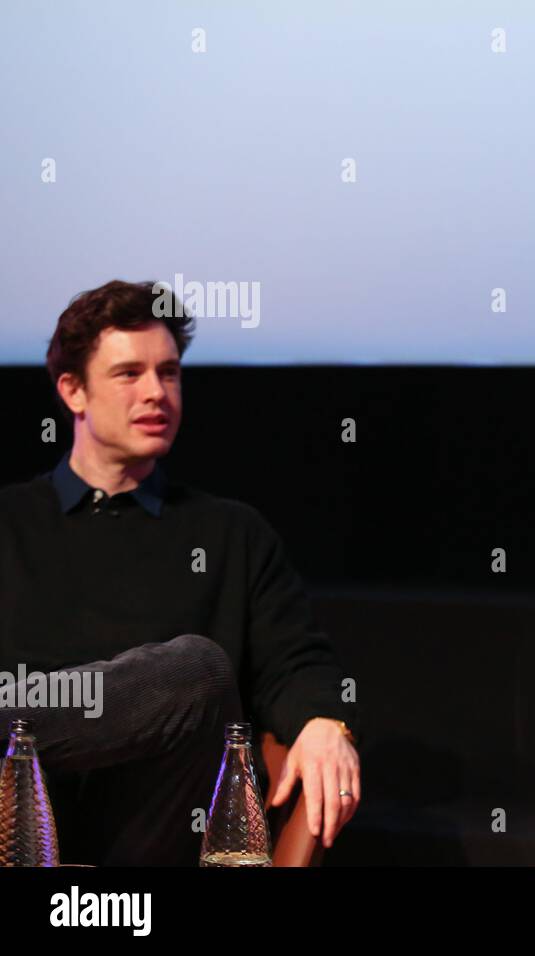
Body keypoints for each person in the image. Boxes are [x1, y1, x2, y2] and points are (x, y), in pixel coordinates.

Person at [0, 280, 362, 865]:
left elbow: (296, 661)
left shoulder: (231, 533)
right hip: (21, 825)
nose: (156, 392)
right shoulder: (10, 524)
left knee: (198, 671)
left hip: (160, 832)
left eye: (168, 373)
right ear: (73, 390)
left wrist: (325, 721)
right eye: (129, 373)